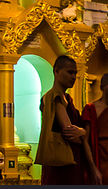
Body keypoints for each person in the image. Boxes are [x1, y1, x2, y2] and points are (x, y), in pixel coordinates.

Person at [34, 55, 87, 184]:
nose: (73, 77)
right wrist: (85, 133)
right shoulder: (54, 96)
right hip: (61, 160)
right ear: (57, 71)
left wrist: (82, 132)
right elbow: (71, 133)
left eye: (75, 73)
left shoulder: (66, 98)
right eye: (70, 72)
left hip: (72, 157)